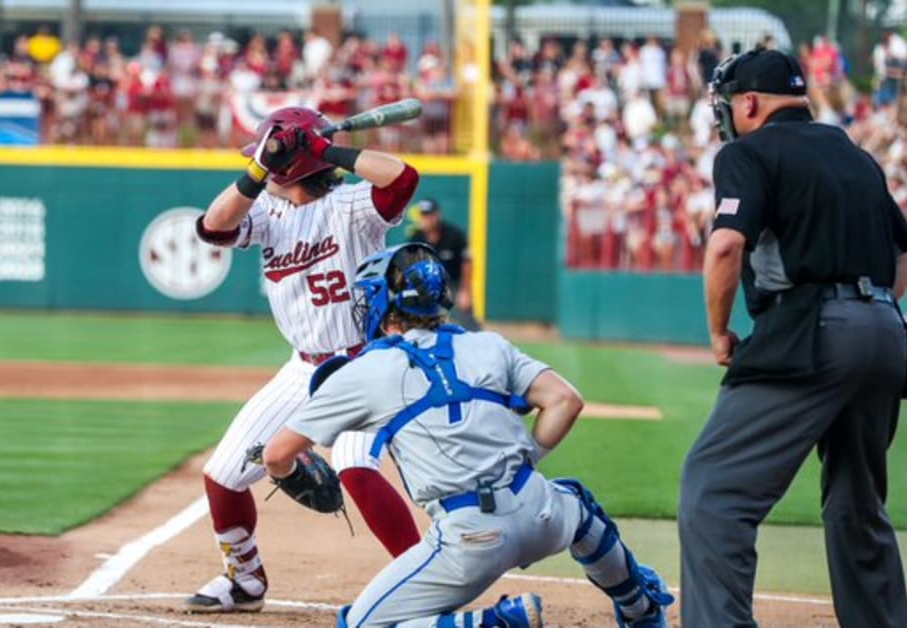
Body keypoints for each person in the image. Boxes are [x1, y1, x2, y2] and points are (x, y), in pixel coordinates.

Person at [258, 243, 674, 627]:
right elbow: (566, 401)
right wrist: (525, 462)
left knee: (360, 624)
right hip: (538, 513)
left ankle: (492, 622)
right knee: (576, 506)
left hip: (471, 539)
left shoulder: (365, 371)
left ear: (385, 306)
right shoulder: (489, 345)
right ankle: (641, 608)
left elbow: (278, 455)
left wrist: (291, 473)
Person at [679, 48, 907, 627]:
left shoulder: (747, 153)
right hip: (886, 331)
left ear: (750, 103)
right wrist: (870, 309)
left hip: (812, 331)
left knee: (715, 493)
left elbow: (726, 245)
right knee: (858, 507)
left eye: (730, 103)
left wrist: (718, 331)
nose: (727, 114)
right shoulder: (857, 157)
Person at [187, 107, 425, 613]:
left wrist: (322, 150)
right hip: (303, 368)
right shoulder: (266, 213)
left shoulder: (352, 204)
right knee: (223, 475)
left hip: (367, 364)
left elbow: (403, 178)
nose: (262, 164)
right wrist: (257, 171)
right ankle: (245, 580)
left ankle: (425, 589)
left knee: (355, 468)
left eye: (269, 158)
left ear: (293, 165)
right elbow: (212, 226)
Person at [408, 198, 478, 330]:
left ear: (437, 215)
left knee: (467, 321)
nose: (426, 219)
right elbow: (410, 265)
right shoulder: (416, 237)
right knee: (425, 325)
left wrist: (466, 291)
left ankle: (480, 345)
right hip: (429, 287)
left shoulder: (454, 235)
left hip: (453, 286)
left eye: (429, 215)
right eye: (423, 215)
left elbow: (467, 263)